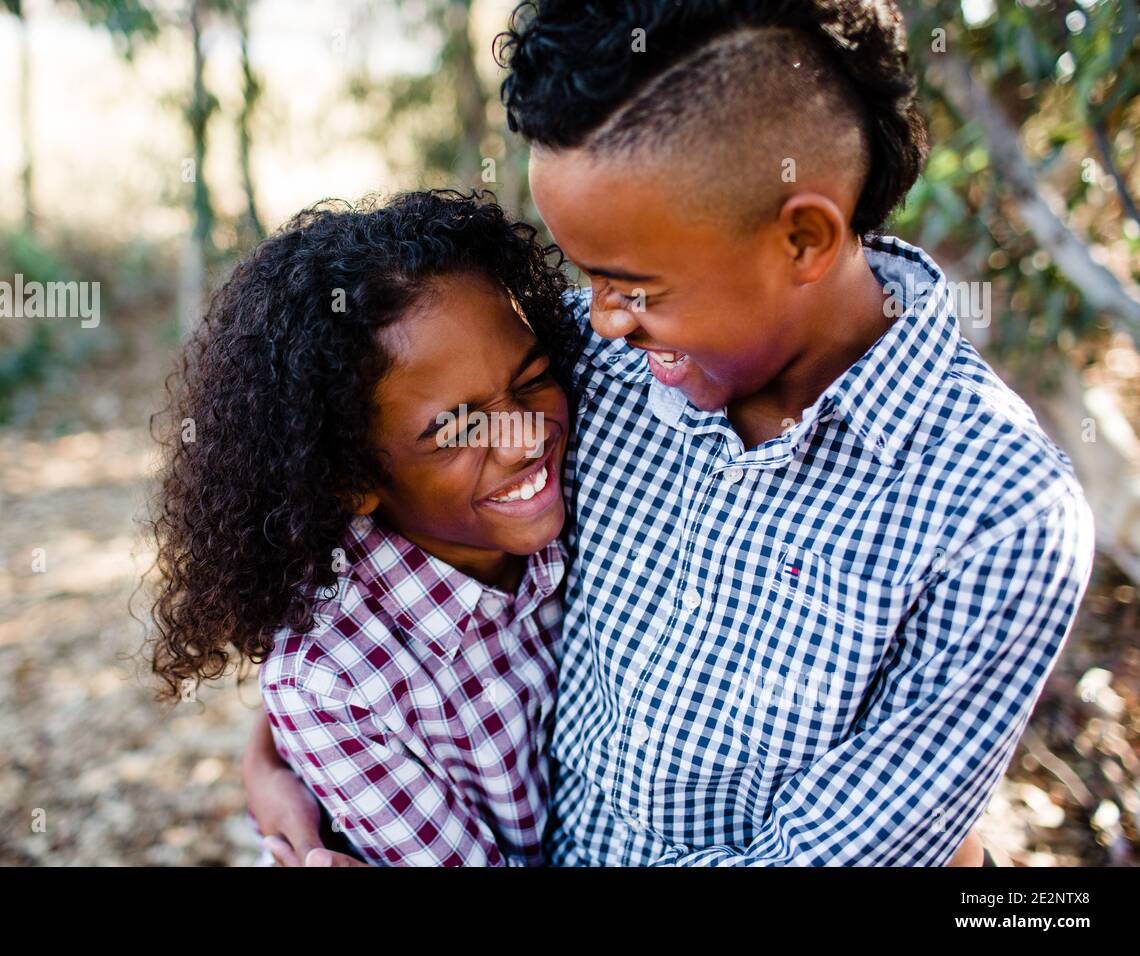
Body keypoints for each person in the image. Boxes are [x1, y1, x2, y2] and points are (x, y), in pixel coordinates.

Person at [248, 0, 1092, 867]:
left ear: (803, 237)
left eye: (632, 285)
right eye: (586, 278)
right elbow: (396, 516)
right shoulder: (579, 368)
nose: (600, 319)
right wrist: (281, 742)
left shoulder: (1000, 515)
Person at [150, 190, 584, 865]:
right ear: (351, 478)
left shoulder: (585, 474)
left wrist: (259, 756)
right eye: (460, 428)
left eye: (530, 381)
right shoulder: (333, 685)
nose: (525, 437)